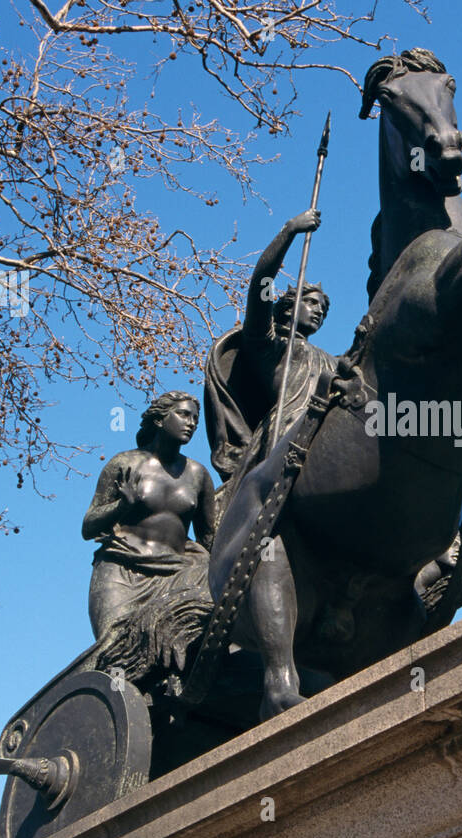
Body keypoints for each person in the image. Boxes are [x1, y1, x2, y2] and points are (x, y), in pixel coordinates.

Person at [203, 209, 339, 483]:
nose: (318, 311)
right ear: (288, 308)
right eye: (311, 302)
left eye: (323, 309)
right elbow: (261, 285)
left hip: (327, 440)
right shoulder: (269, 346)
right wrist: (288, 232)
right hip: (281, 443)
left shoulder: (333, 361)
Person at [83, 391, 216, 642]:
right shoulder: (124, 463)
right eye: (184, 415)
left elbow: (209, 537)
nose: (191, 423)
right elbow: (88, 527)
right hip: (123, 570)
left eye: (196, 419)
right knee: (116, 647)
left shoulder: (199, 475)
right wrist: (121, 507)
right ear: (159, 419)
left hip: (180, 573)